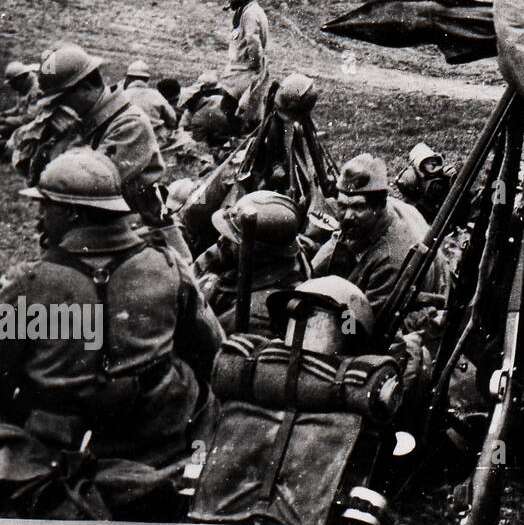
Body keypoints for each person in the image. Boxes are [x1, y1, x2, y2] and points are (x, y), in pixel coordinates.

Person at [2, 150, 223, 469]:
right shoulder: (168, 265)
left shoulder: (27, 283)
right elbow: (209, 347)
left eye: (46, 206)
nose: (40, 217)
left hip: (58, 445)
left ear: (73, 214)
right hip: (162, 430)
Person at [26, 42, 166, 225]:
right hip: (93, 220)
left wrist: (69, 139)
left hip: (131, 227)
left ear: (85, 87)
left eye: (61, 99)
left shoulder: (130, 123)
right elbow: (37, 178)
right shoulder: (83, 118)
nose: (56, 108)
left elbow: (91, 185)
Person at [311, 154, 418, 315]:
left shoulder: (391, 256)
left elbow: (362, 327)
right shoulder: (359, 225)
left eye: (358, 207)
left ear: (379, 206)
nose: (347, 216)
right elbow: (318, 266)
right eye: (342, 206)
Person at [195, 190, 310, 338]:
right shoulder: (225, 254)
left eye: (232, 239)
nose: (220, 241)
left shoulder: (262, 311)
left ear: (260, 254)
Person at [220, 0, 270, 131]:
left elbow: (253, 41)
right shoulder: (247, 11)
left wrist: (254, 64)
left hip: (246, 71)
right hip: (244, 69)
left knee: (233, 108)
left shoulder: (250, 14)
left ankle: (240, 142)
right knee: (245, 109)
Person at [120, 59, 179, 134]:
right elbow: (172, 120)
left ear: (128, 78)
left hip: (126, 138)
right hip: (153, 139)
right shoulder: (156, 95)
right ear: (147, 79)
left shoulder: (121, 96)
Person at [1, 60, 39, 143]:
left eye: (12, 82)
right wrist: (4, 114)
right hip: (22, 123)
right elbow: (18, 108)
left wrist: (5, 120)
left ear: (21, 77)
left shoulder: (35, 90)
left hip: (34, 127)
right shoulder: (22, 87)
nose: (11, 86)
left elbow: (30, 118)